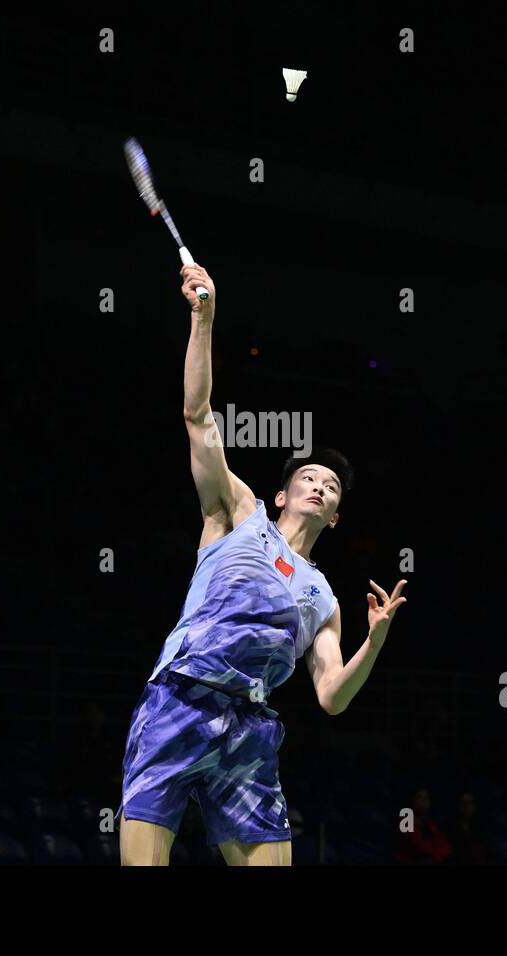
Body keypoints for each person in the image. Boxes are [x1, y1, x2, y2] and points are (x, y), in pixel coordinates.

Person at [115, 262, 408, 866]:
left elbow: (331, 697)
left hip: (249, 728)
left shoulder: (323, 598)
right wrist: (204, 318)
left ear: (336, 517)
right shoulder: (238, 516)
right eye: (309, 477)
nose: (321, 487)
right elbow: (199, 419)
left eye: (332, 487)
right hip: (180, 700)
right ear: (282, 495)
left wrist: (374, 643)